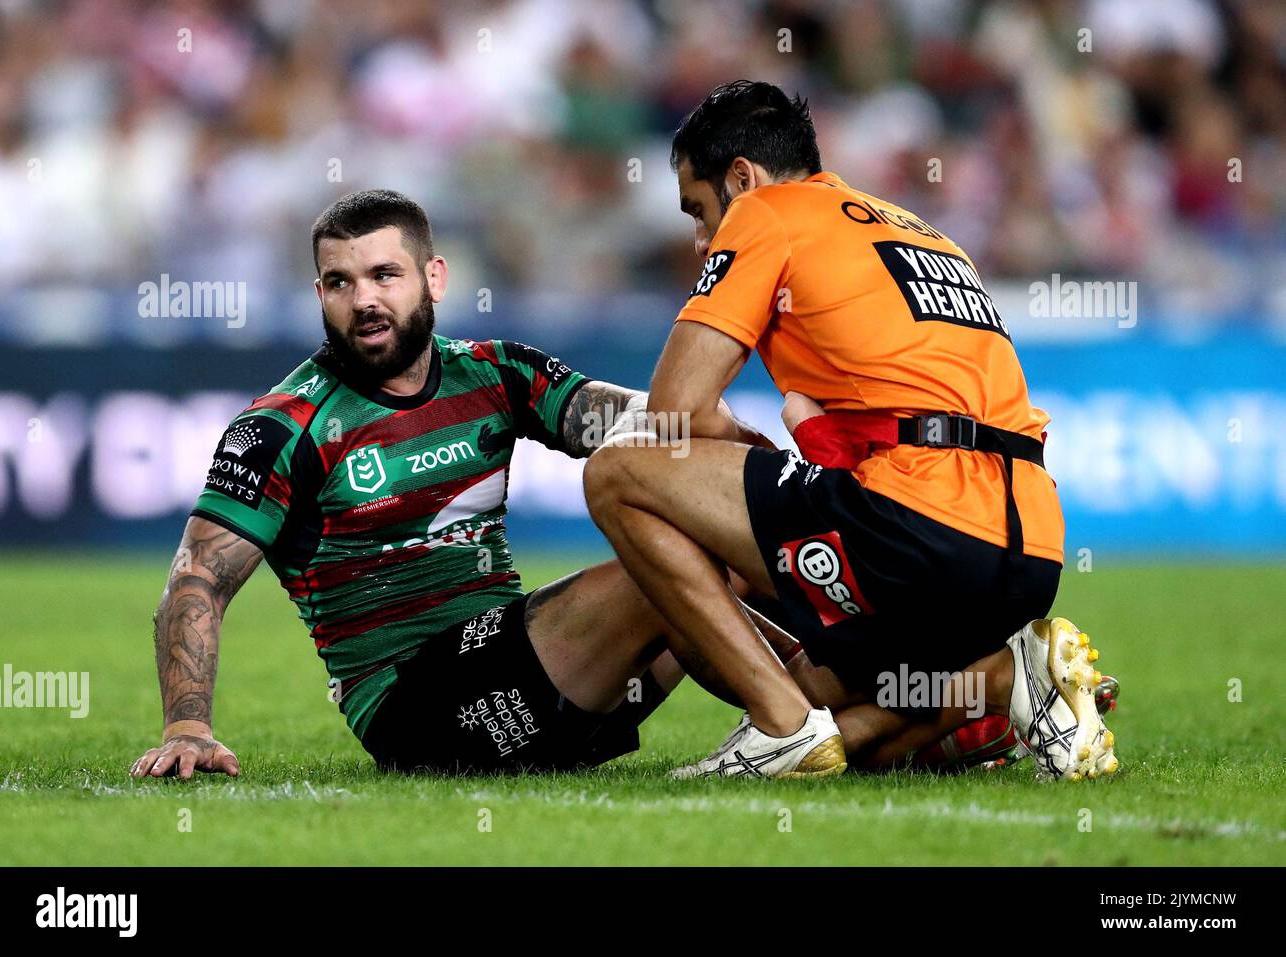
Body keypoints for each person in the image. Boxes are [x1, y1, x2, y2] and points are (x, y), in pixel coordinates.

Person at [584, 81, 1119, 781]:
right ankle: (995, 676)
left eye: (699, 208)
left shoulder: (768, 212)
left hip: (922, 524)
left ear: (742, 178)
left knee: (618, 473)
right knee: (820, 692)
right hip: (1029, 550)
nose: (700, 237)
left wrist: (743, 453)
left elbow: (674, 410)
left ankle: (781, 730)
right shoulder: (923, 231)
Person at [132, 188, 741, 779]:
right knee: (661, 569)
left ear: (435, 279)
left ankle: (824, 712)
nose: (363, 298)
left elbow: (651, 422)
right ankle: (791, 719)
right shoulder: (283, 427)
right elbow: (198, 578)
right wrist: (187, 729)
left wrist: (766, 465)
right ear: (319, 295)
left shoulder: (496, 372)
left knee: (732, 537)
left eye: (384, 275)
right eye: (340, 283)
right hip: (416, 710)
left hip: (534, 684)